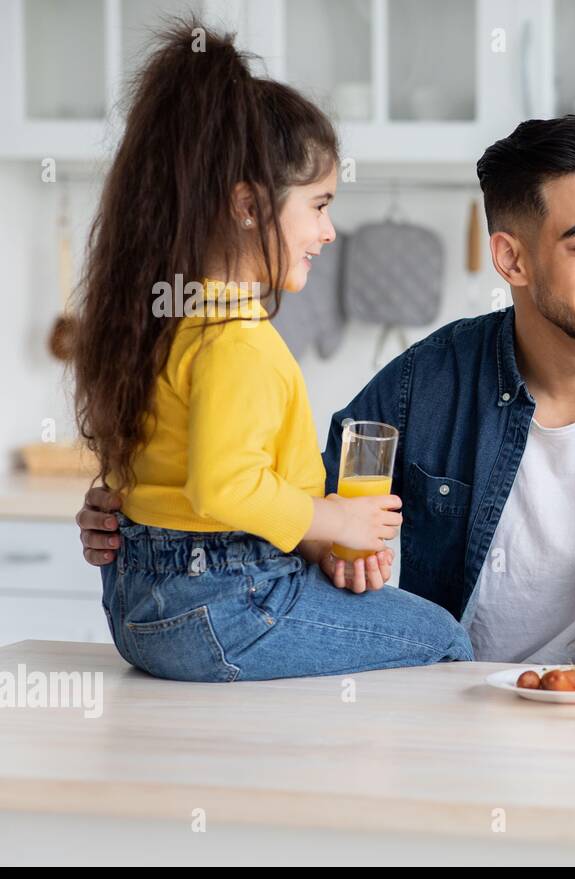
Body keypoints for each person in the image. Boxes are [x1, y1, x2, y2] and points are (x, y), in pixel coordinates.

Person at [79, 115, 575, 677]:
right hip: (457, 732)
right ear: (510, 258)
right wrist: (150, 508)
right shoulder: (428, 383)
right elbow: (279, 500)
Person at [71, 22, 471, 681]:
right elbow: (224, 486)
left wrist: (318, 538)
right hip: (225, 603)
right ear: (249, 206)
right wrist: (332, 515)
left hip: (140, 609)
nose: (328, 230)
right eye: (318, 205)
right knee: (444, 639)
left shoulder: (162, 318)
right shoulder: (238, 339)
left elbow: (171, 473)